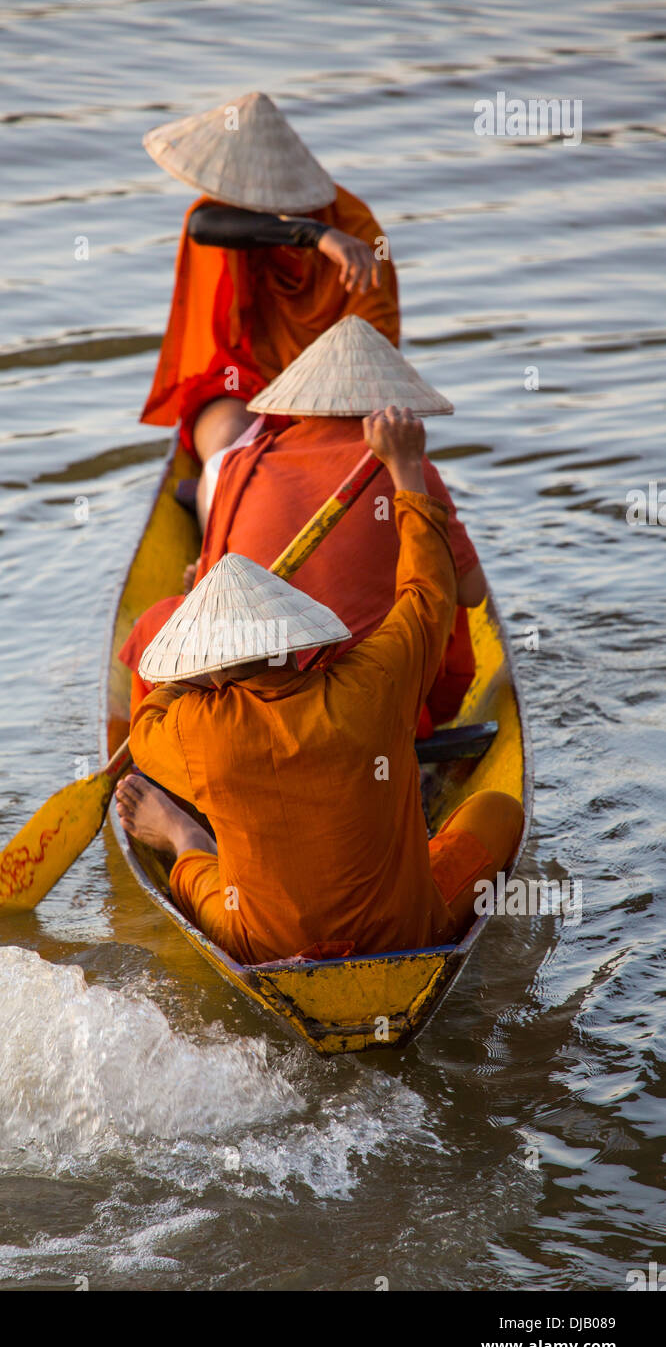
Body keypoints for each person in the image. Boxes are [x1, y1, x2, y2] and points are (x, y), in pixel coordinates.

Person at [114, 406, 523, 965]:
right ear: (298, 635)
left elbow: (147, 727)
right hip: (408, 931)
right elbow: (429, 594)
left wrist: (192, 661)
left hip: (260, 943)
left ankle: (187, 842)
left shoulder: (193, 731)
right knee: (499, 811)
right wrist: (406, 470)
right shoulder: (376, 679)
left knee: (196, 864)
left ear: (213, 671)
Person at [121, 317, 487, 733]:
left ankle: (154, 758)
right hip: (375, 697)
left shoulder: (242, 463)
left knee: (158, 621)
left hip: (255, 693)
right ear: (387, 410)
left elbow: (216, 593)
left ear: (296, 406)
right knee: (438, 577)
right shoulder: (408, 468)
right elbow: (472, 591)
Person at [140, 91, 400, 512]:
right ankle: (212, 560)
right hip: (244, 378)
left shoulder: (360, 231)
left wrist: (321, 419)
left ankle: (212, 504)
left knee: (309, 479)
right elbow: (203, 226)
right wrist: (315, 236)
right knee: (227, 456)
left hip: (330, 394)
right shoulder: (225, 216)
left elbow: (376, 355)